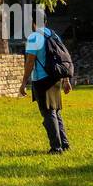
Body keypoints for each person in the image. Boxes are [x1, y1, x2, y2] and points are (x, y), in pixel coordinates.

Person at [21, 26, 72, 154]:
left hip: (42, 79)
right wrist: (66, 80)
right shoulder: (53, 34)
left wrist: (24, 82)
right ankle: (64, 144)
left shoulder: (34, 37)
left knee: (49, 113)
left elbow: (30, 62)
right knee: (56, 112)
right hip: (56, 78)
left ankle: (56, 148)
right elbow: (62, 57)